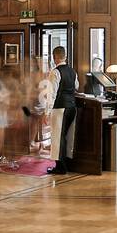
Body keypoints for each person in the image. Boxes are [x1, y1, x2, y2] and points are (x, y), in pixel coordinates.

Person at [47, 46, 79, 175]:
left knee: (57, 137)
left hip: (60, 108)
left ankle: (60, 167)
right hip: (72, 107)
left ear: (54, 57)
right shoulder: (72, 71)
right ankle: (66, 164)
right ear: (65, 56)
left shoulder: (55, 72)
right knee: (67, 136)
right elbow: (76, 86)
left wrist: (46, 112)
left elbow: (51, 94)